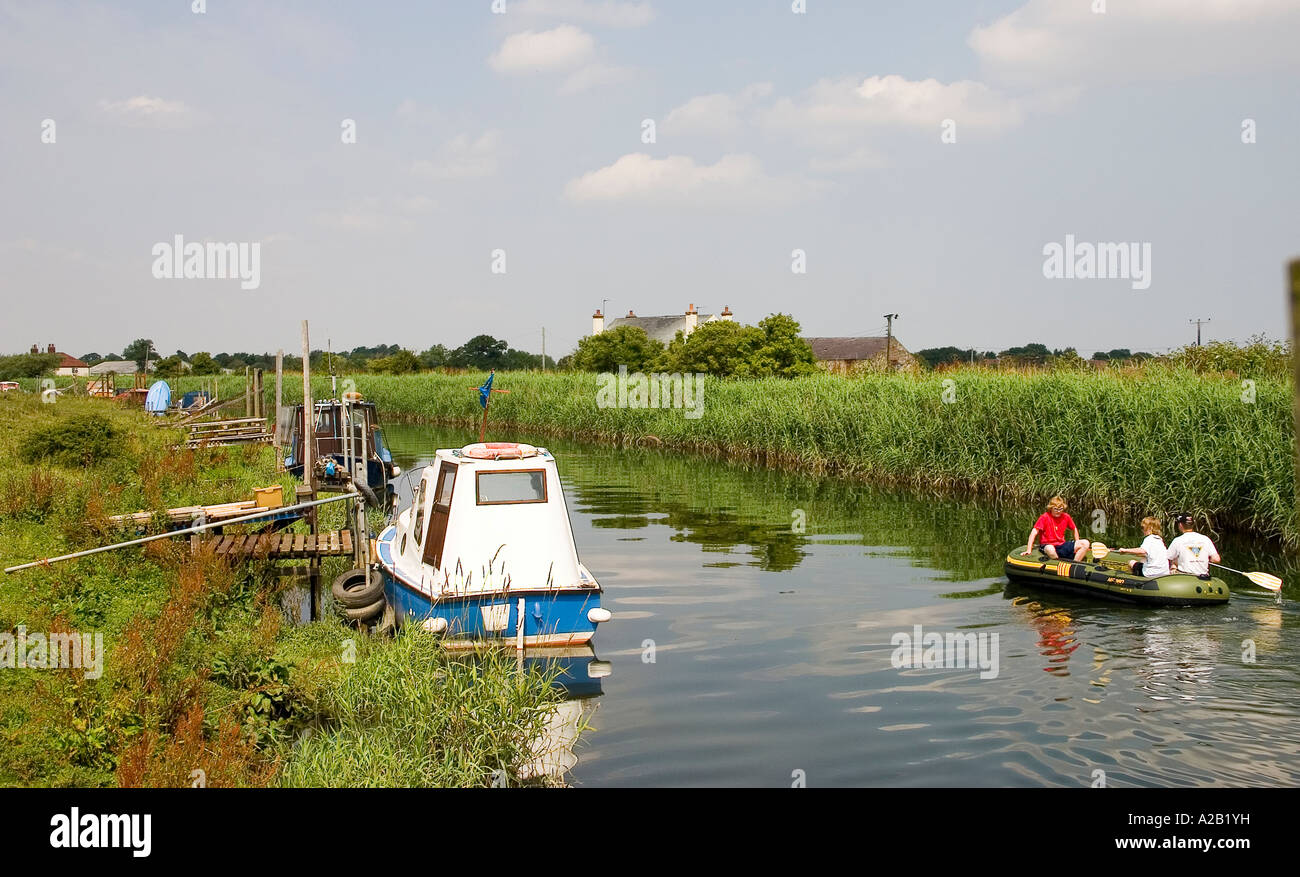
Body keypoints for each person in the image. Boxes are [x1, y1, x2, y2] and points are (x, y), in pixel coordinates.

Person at [1022, 495, 1090, 562]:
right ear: (1051, 508)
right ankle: (1057, 563)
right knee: (1050, 549)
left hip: (1061, 544)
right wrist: (1029, 549)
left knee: (1085, 543)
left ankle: (1075, 563)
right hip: (1047, 545)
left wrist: (1077, 541)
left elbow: (1074, 528)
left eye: (1060, 509)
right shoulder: (1044, 517)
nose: (1058, 511)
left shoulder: (1066, 517)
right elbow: (1033, 533)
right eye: (1056, 509)